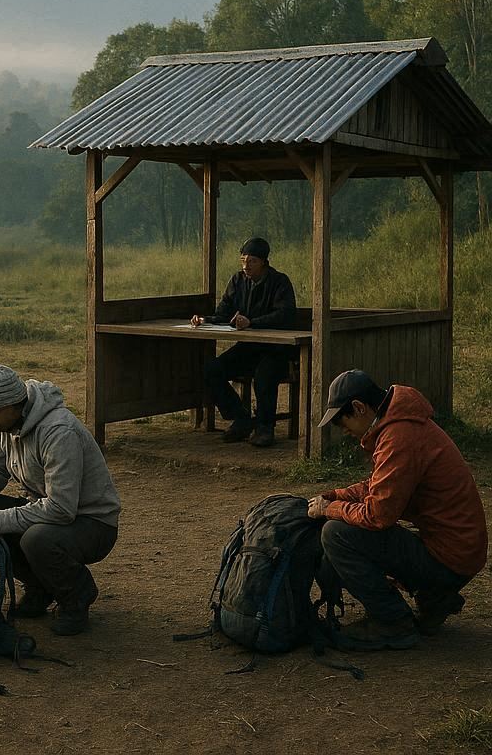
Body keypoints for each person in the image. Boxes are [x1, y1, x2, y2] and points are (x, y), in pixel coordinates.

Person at [0, 364, 121, 636]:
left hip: (90, 523)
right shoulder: (5, 421)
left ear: (15, 404)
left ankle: (77, 596)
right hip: (42, 510)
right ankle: (40, 586)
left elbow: (61, 509)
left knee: (36, 539)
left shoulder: (59, 432)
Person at [306, 369, 488, 652]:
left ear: (358, 407)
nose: (346, 432)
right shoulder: (399, 424)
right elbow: (377, 486)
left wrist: (331, 509)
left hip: (451, 558)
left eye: (344, 424)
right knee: (343, 522)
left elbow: (378, 516)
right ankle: (436, 597)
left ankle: (392, 623)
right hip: (458, 552)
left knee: (336, 534)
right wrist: (334, 496)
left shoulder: (399, 437)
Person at [190, 237, 296, 448]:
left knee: (264, 376)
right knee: (212, 370)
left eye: (252, 261)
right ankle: (241, 419)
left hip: (276, 350)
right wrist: (204, 319)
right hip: (249, 347)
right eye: (243, 260)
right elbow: (224, 310)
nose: (246, 266)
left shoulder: (279, 281)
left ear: (264, 262)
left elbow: (285, 314)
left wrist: (252, 322)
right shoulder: (238, 280)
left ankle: (265, 428)